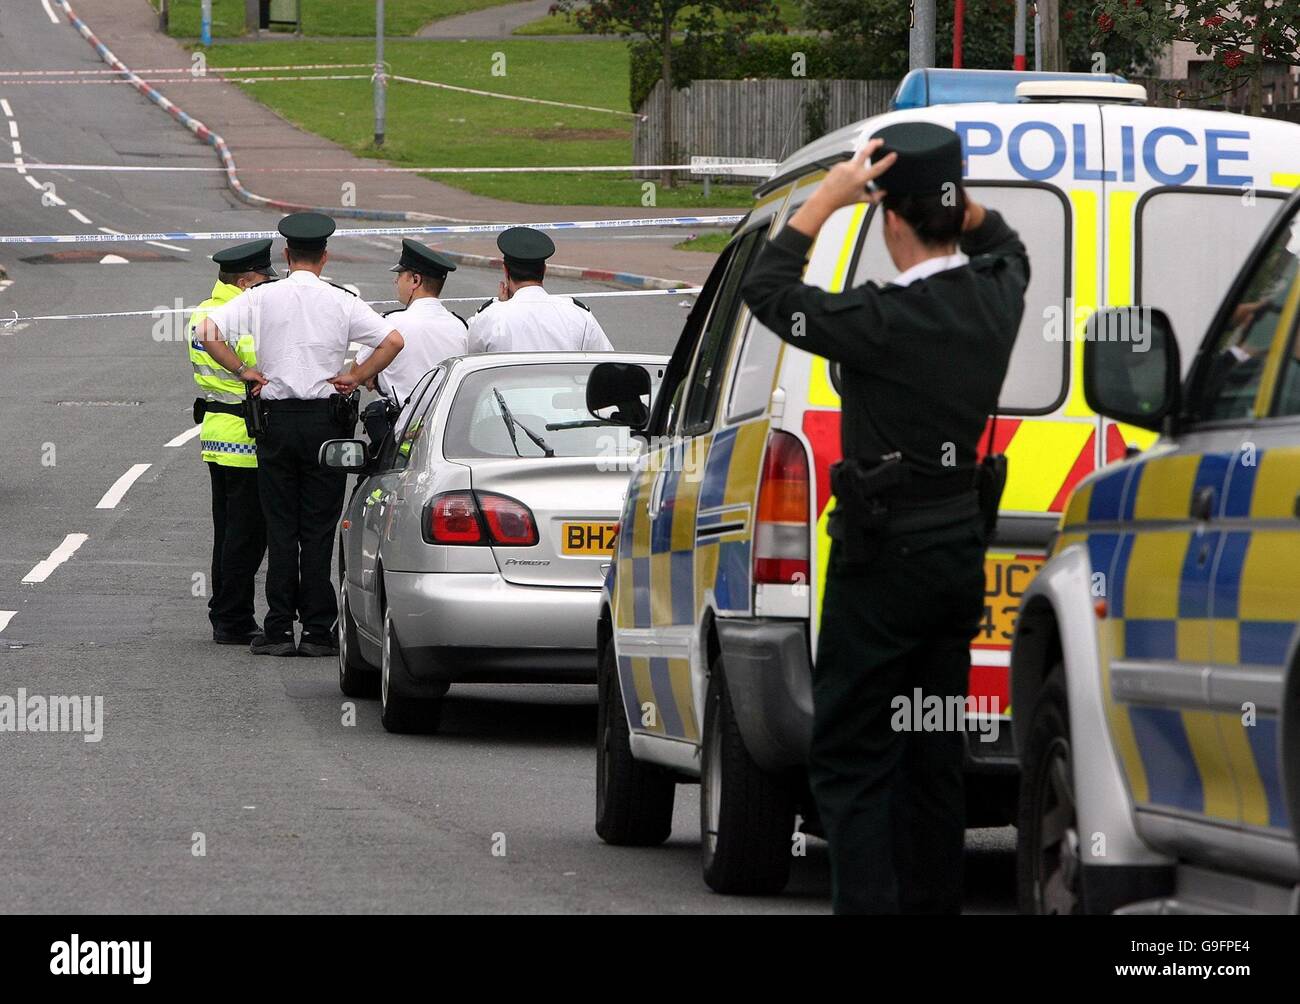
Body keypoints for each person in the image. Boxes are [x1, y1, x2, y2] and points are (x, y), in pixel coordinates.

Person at [740, 123, 1030, 914]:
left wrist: (827, 200)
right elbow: (1007, 244)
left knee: (850, 755)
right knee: (933, 748)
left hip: (884, 563)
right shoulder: (997, 294)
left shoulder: (876, 319)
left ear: (888, 217)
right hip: (956, 558)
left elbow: (766, 292)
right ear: (950, 207)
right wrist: (941, 191)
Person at [194, 212, 405, 658]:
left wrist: (244, 370)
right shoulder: (342, 300)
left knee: (280, 525)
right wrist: (356, 374)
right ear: (325, 256)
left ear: (286, 255)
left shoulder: (263, 297)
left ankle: (277, 628)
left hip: (276, 421)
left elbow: (206, 331)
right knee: (318, 527)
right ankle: (316, 630)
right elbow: (393, 340)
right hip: (326, 423)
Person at [189, 239, 275, 645]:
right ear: (244, 281)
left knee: (226, 531)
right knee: (247, 534)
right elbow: (261, 367)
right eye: (261, 281)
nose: (266, 288)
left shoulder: (204, 310)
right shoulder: (238, 318)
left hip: (215, 432)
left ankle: (223, 612)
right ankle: (233, 618)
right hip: (246, 436)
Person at [357, 239, 467, 451]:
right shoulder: (460, 326)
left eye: (400, 276)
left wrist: (374, 374)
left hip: (397, 438)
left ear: (415, 280)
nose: (396, 282)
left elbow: (358, 373)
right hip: (444, 437)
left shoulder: (390, 323)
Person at [467, 226, 612, 352]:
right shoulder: (579, 315)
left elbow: (467, 360)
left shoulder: (489, 318)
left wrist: (499, 307)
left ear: (506, 271)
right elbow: (607, 363)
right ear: (544, 270)